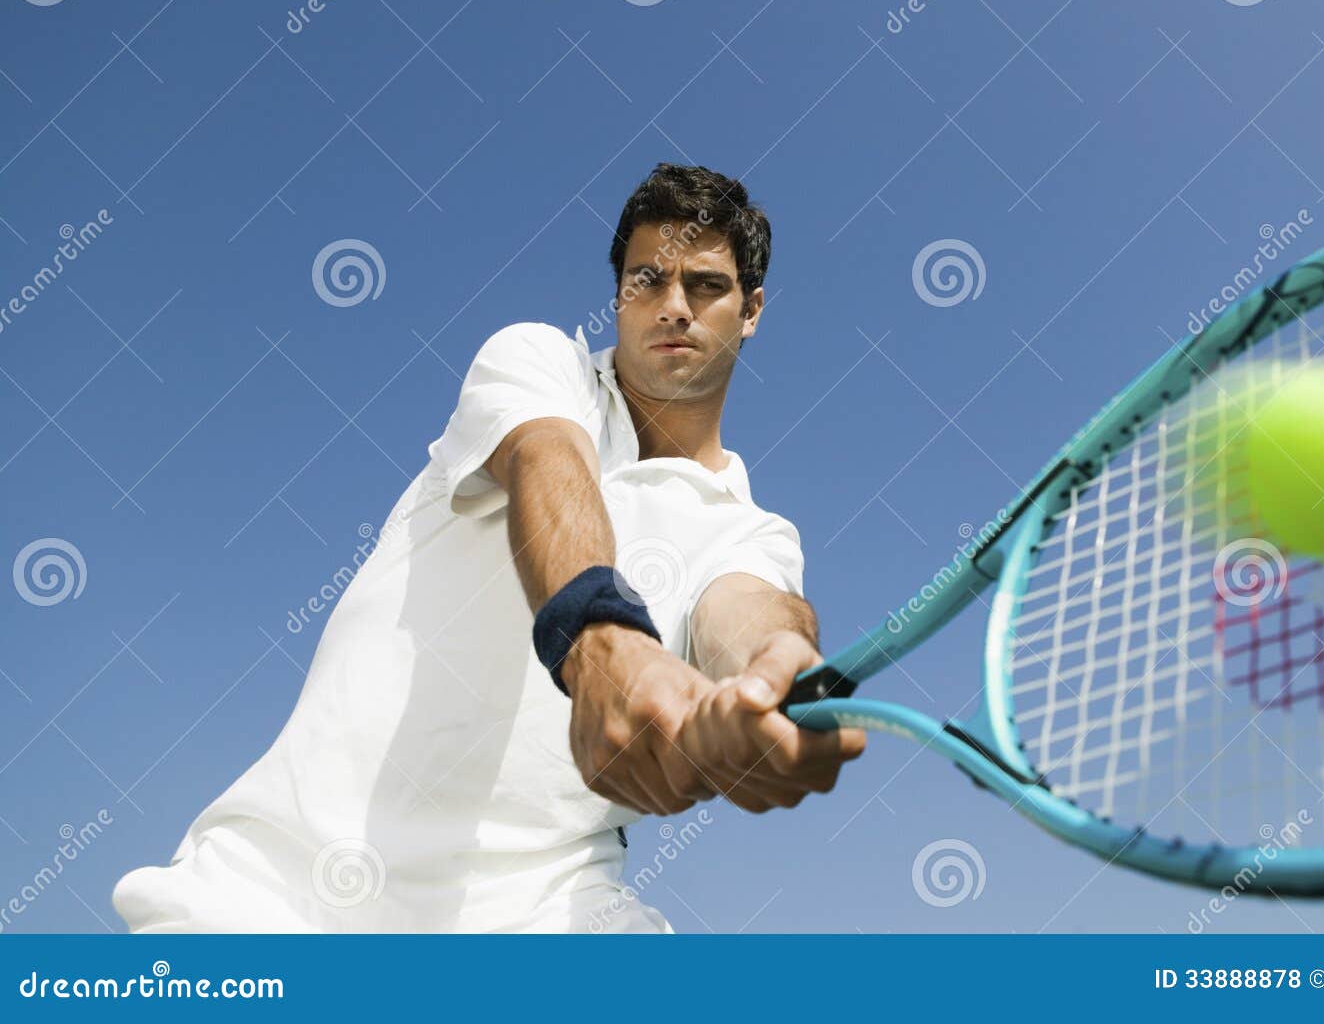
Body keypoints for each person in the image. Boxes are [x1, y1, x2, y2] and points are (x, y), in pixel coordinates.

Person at [113, 163, 866, 933]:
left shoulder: (753, 532)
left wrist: (767, 679)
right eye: (648, 279)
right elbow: (547, 460)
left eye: (705, 284)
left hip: (548, 920)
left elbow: (751, 612)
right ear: (618, 299)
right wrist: (599, 636)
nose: (673, 305)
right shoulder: (537, 362)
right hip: (267, 906)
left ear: (752, 310)